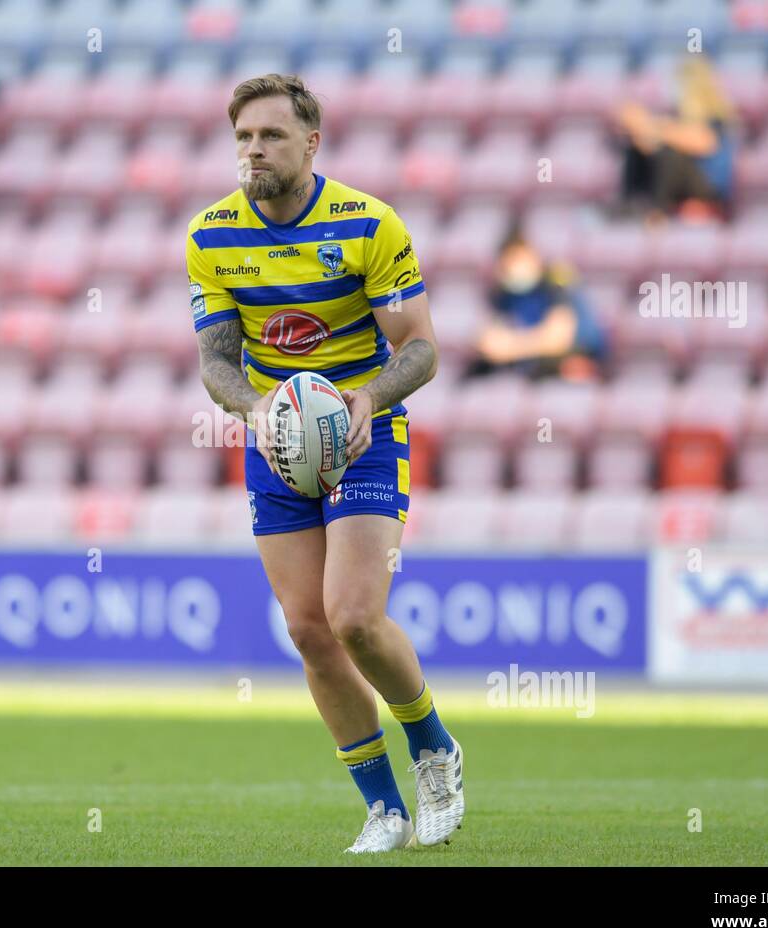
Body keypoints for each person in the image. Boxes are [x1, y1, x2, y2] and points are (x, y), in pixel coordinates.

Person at [185, 74, 464, 853]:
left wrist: (370, 399)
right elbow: (215, 361)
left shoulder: (368, 223)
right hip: (276, 440)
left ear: (311, 143)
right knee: (309, 631)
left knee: (353, 617)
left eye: (270, 136)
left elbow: (421, 347)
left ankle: (435, 749)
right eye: (243, 137)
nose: (253, 150)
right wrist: (254, 409)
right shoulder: (210, 235)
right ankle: (383, 807)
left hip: (364, 435)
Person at [471, 225, 608, 381]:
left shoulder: (556, 282)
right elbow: (489, 339)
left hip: (574, 360)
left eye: (519, 260)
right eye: (508, 265)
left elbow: (558, 339)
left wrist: (510, 347)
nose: (515, 270)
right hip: (532, 368)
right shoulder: (505, 296)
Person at [615, 55, 737, 220]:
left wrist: (654, 128)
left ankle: (658, 213)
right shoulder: (679, 116)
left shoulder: (715, 117)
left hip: (708, 187)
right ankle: (628, 206)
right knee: (637, 149)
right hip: (684, 182)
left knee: (670, 154)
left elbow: (702, 142)